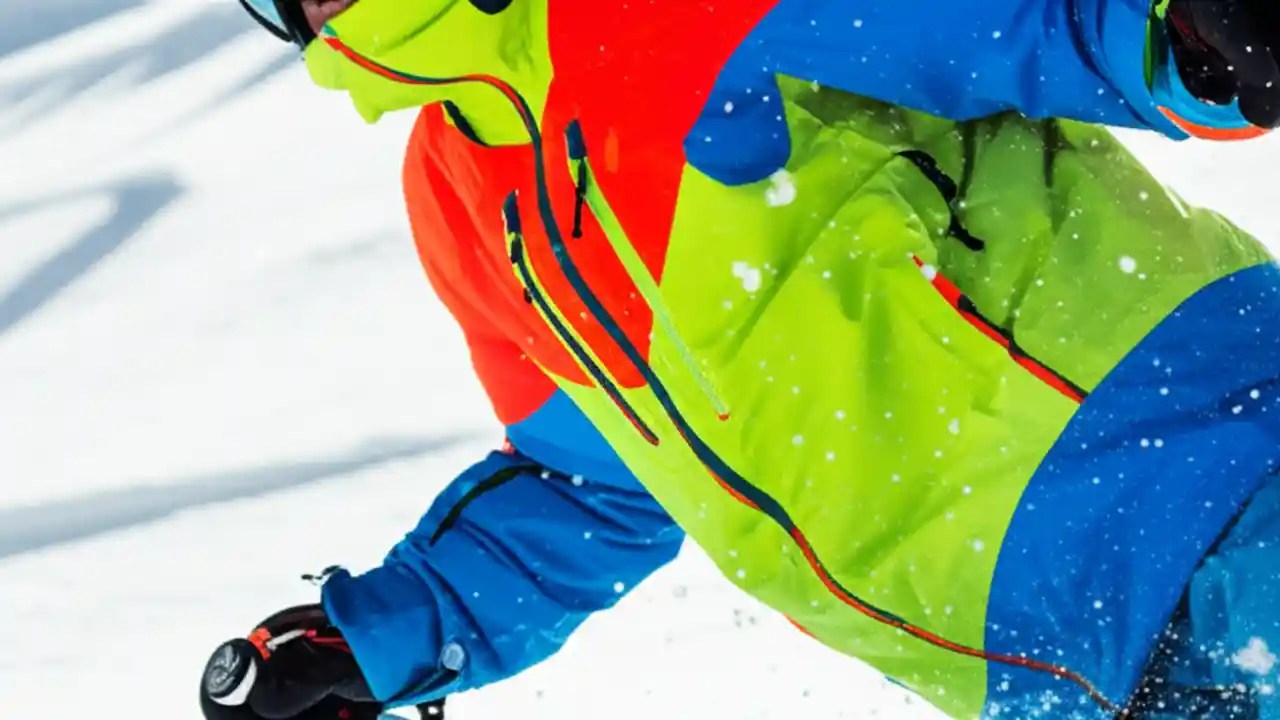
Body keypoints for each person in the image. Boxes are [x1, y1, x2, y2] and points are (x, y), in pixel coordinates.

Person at [199, 0, 1280, 717]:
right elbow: (603, 483)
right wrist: (380, 643)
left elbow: (1034, 25)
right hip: (1054, 673)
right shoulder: (460, 203)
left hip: (1222, 483)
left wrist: (1179, 33)